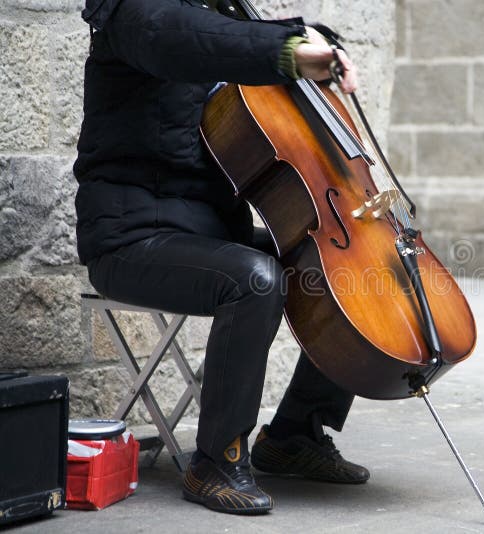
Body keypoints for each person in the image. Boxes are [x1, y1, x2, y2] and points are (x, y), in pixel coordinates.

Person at [74, 0, 367, 515]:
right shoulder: (132, 15)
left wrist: (318, 38)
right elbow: (186, 37)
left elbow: (233, 36)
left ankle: (295, 436)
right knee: (254, 278)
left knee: (336, 268)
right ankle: (214, 463)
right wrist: (290, 49)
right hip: (129, 238)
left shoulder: (217, 15)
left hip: (208, 232)